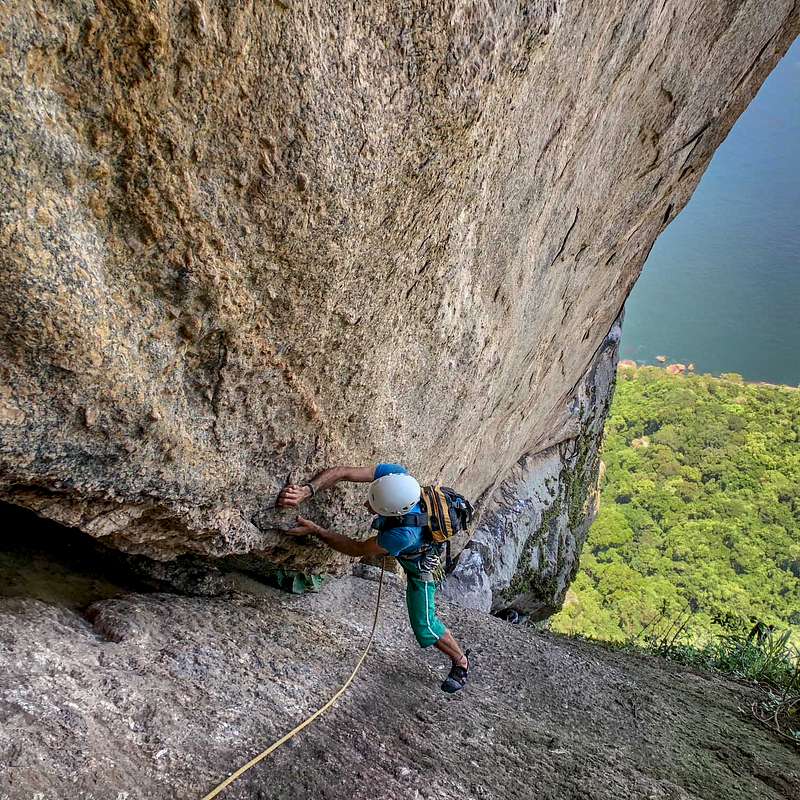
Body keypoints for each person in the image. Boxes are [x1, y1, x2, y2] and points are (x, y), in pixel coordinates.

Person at [277, 463, 470, 693]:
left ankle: (461, 661)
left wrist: (317, 531)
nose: (365, 504)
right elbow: (343, 472)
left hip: (421, 564)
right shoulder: (397, 476)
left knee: (424, 624)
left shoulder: (402, 536)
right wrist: (307, 490)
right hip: (410, 537)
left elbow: (357, 548)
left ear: (393, 512)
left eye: (374, 506)